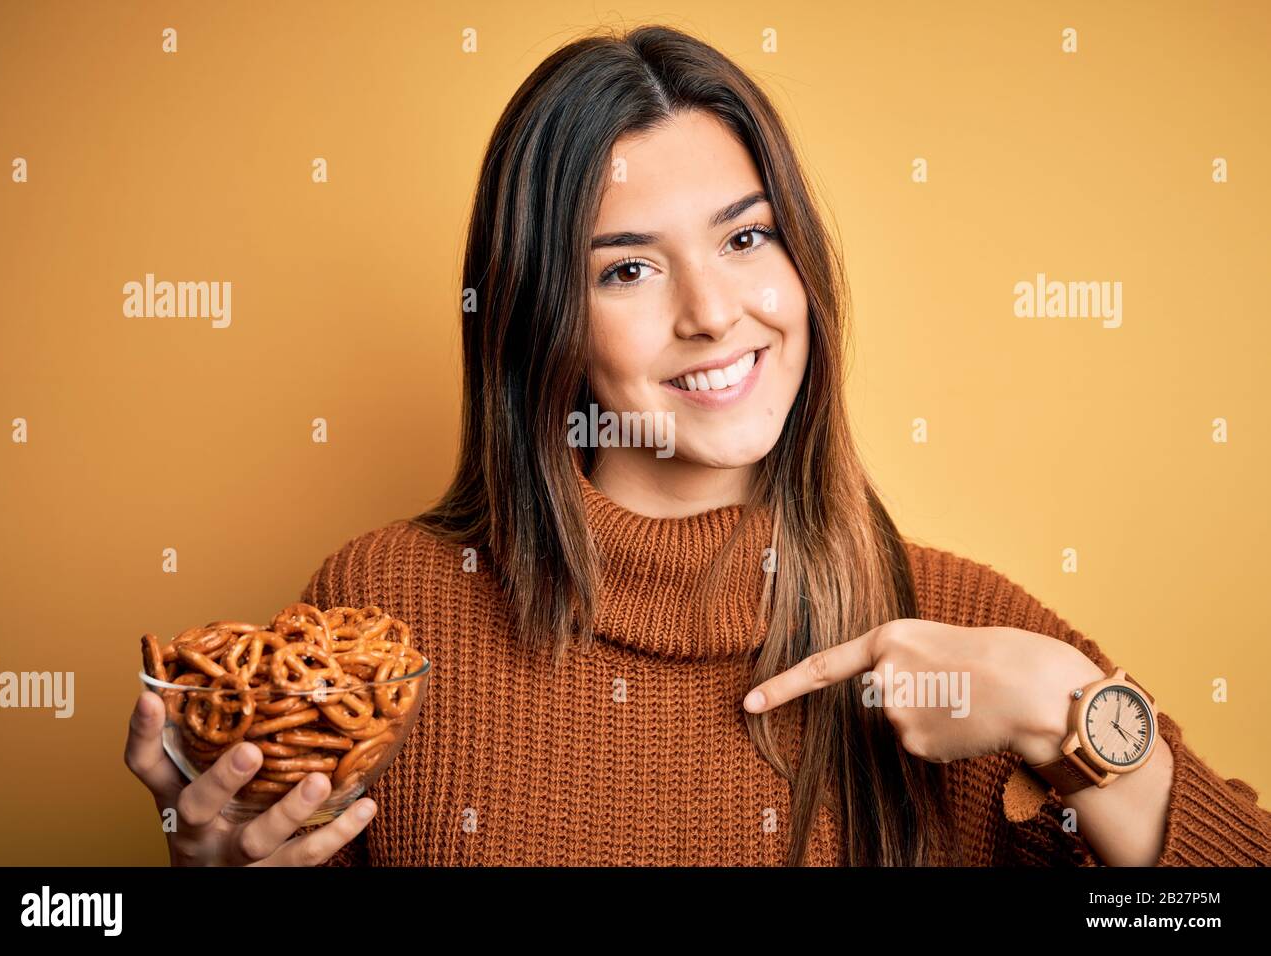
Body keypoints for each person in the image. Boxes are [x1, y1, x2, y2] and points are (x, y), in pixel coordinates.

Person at [124, 23, 1271, 867]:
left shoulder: (959, 636)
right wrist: (209, 866)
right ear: (542, 321)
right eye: (627, 266)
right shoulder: (387, 607)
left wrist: (1075, 713)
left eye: (746, 237)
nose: (713, 311)